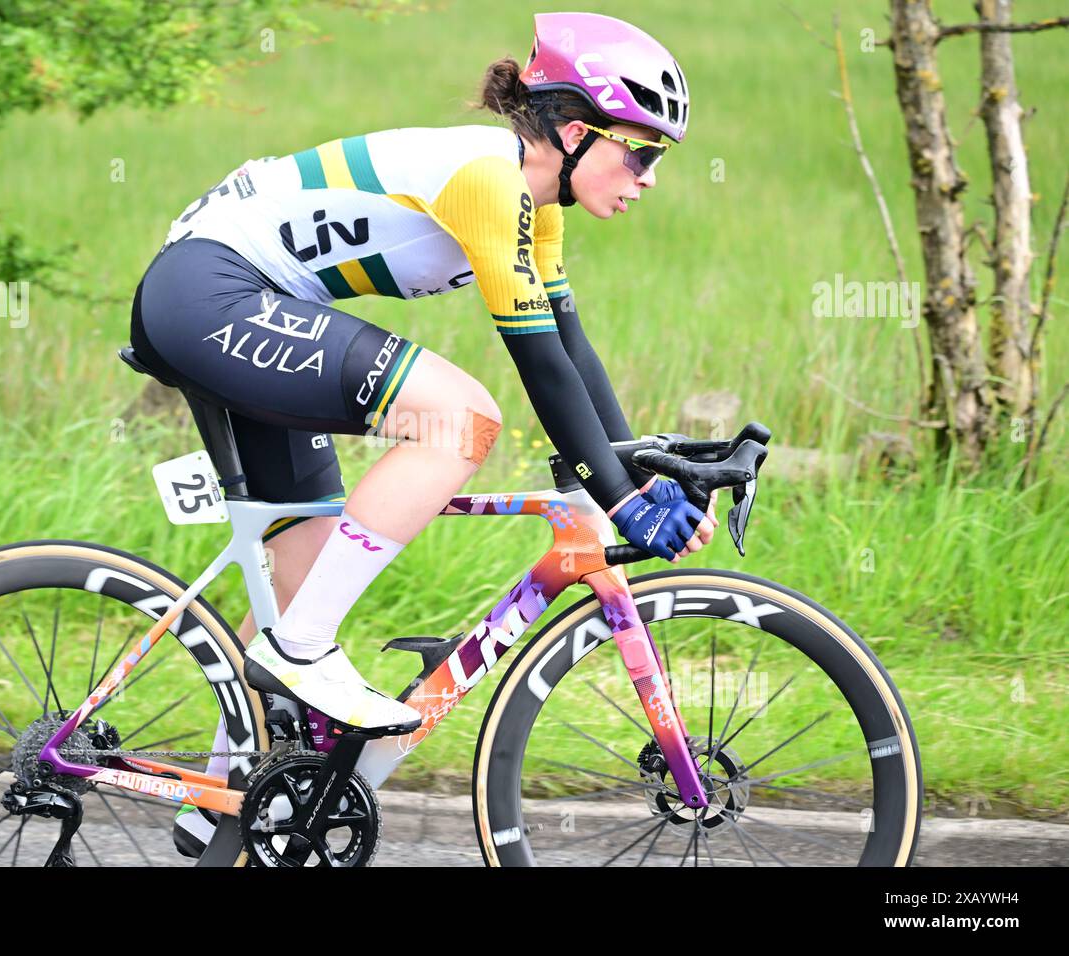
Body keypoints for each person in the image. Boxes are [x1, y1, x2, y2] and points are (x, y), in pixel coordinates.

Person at [128, 12, 717, 855]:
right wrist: (621, 501)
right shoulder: (490, 179)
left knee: (309, 562)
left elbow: (572, 353)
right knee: (459, 417)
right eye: (644, 151)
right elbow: (537, 367)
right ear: (579, 133)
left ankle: (223, 805)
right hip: (209, 293)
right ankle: (299, 650)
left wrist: (635, 472)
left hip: (244, 302)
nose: (651, 176)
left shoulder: (536, 207)